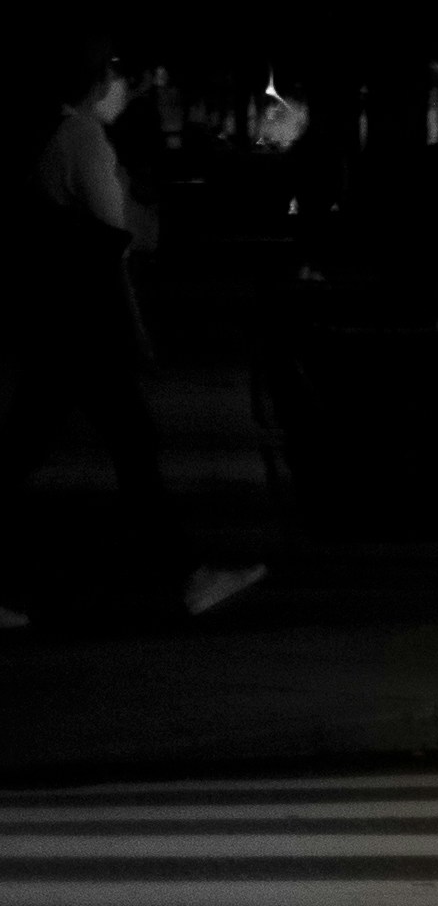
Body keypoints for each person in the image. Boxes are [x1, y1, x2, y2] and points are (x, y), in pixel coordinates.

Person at [8, 38, 262, 627]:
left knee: (74, 446)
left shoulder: (66, 137)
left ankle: (187, 576)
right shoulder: (84, 140)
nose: (129, 85)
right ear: (98, 83)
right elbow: (113, 247)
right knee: (121, 447)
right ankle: (188, 579)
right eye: (118, 75)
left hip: (65, 326)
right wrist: (136, 331)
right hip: (81, 328)